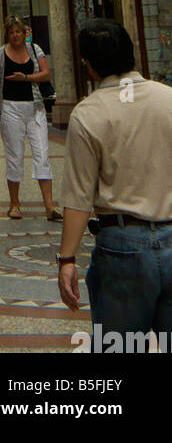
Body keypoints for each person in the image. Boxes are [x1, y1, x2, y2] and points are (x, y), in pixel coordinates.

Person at [57, 19, 172, 341]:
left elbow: (79, 197)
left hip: (123, 247)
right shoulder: (168, 99)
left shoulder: (89, 113)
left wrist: (67, 259)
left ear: (90, 66)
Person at [0, 15, 61, 221]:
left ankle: (49, 206)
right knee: (14, 156)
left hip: (35, 108)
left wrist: (25, 78)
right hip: (10, 108)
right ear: (7, 34)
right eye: (12, 32)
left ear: (24, 33)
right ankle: (14, 204)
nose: (15, 35)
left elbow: (46, 74)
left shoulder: (34, 49)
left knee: (41, 154)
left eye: (19, 31)